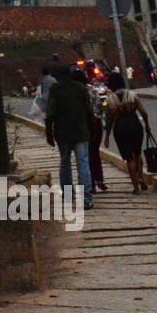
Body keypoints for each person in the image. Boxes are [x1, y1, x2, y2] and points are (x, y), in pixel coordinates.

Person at [46, 65, 95, 210]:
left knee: (65, 162)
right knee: (83, 163)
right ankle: (86, 198)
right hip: (80, 131)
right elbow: (89, 110)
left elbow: (50, 113)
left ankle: (68, 195)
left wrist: (49, 133)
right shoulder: (80, 88)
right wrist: (91, 130)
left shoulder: (55, 89)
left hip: (62, 133)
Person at [105, 86, 152, 193]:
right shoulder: (132, 95)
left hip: (120, 129)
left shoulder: (111, 99)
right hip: (135, 126)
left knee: (130, 158)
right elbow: (143, 112)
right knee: (138, 153)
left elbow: (109, 120)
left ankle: (136, 187)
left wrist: (107, 136)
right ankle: (140, 178)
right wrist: (147, 125)